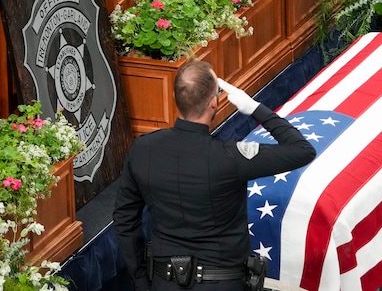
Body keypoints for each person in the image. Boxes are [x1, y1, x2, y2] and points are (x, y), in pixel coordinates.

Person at [114, 60, 316, 290]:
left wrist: (141, 280)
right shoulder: (229, 157)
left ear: (175, 97)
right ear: (214, 102)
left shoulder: (143, 149)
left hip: (164, 282)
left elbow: (124, 219)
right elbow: (302, 150)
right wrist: (254, 108)